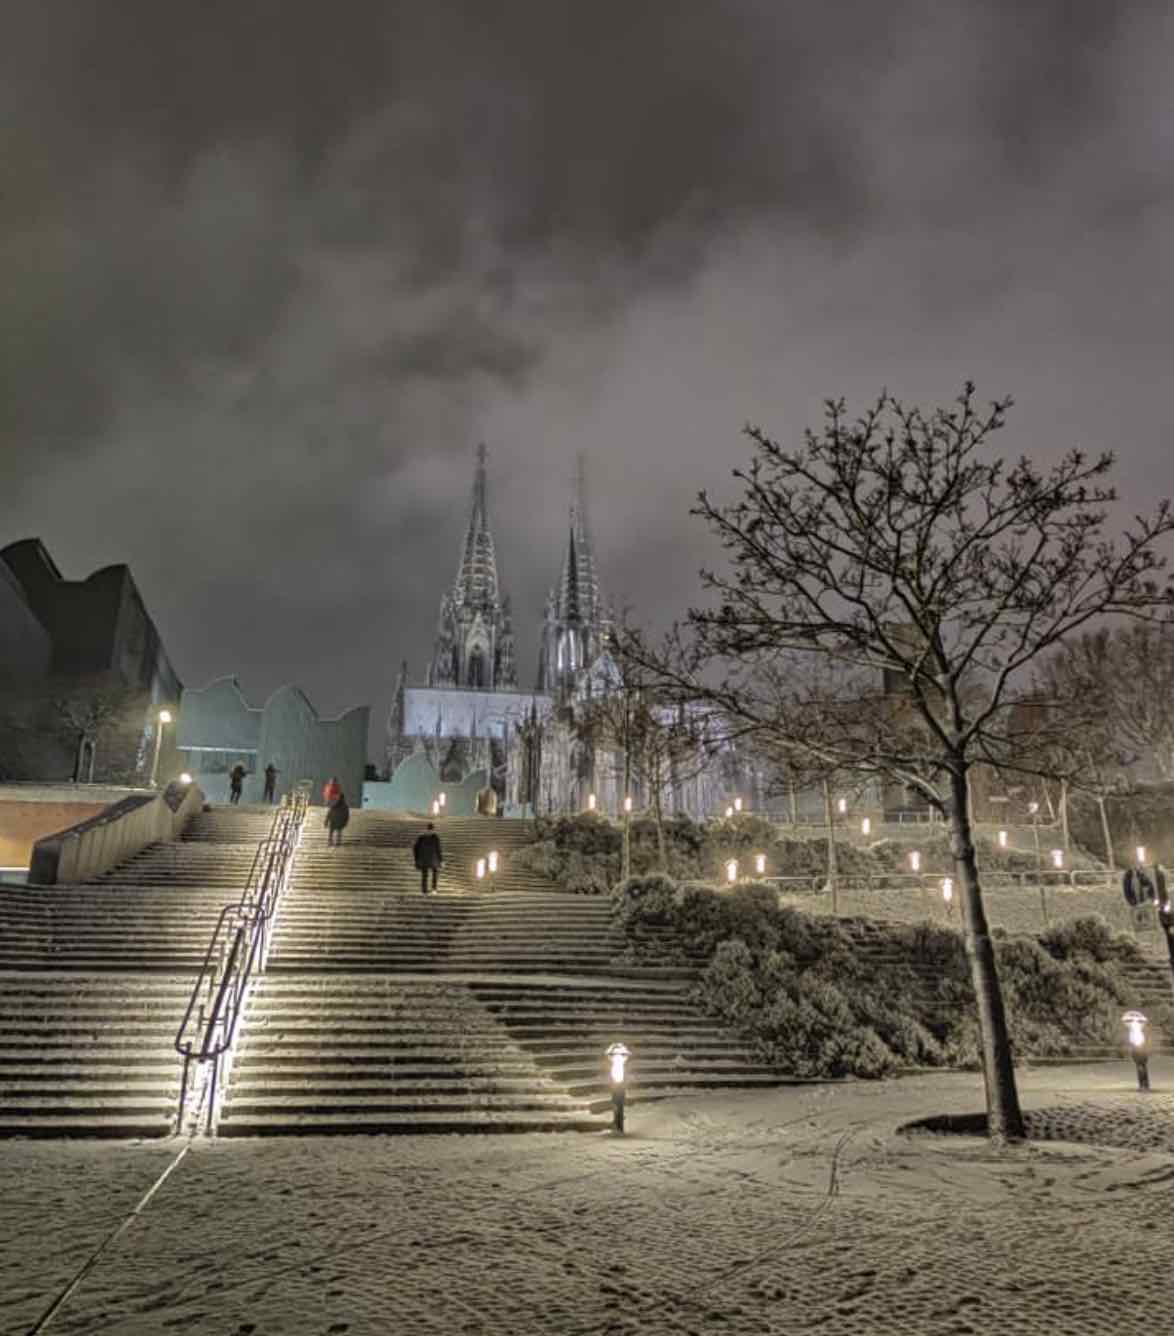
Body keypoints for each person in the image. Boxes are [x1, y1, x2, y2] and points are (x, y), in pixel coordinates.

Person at [413, 822, 443, 894]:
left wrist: (417, 858)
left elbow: (415, 848)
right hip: (434, 859)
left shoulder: (421, 837)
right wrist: (441, 860)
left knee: (425, 875)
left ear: (426, 829)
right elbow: (438, 849)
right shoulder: (435, 837)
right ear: (433, 829)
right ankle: (434, 889)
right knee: (435, 873)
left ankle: (424, 890)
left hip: (424, 859)